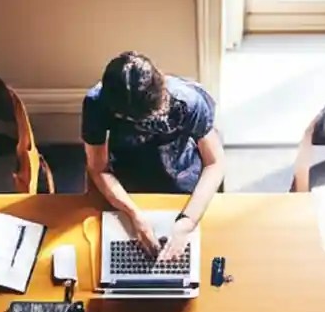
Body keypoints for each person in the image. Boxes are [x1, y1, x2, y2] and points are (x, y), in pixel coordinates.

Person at [82, 51, 225, 261]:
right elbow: (98, 168)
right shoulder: (97, 103)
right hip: (126, 183)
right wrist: (134, 214)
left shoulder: (187, 101)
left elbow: (215, 162)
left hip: (182, 182)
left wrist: (187, 222)